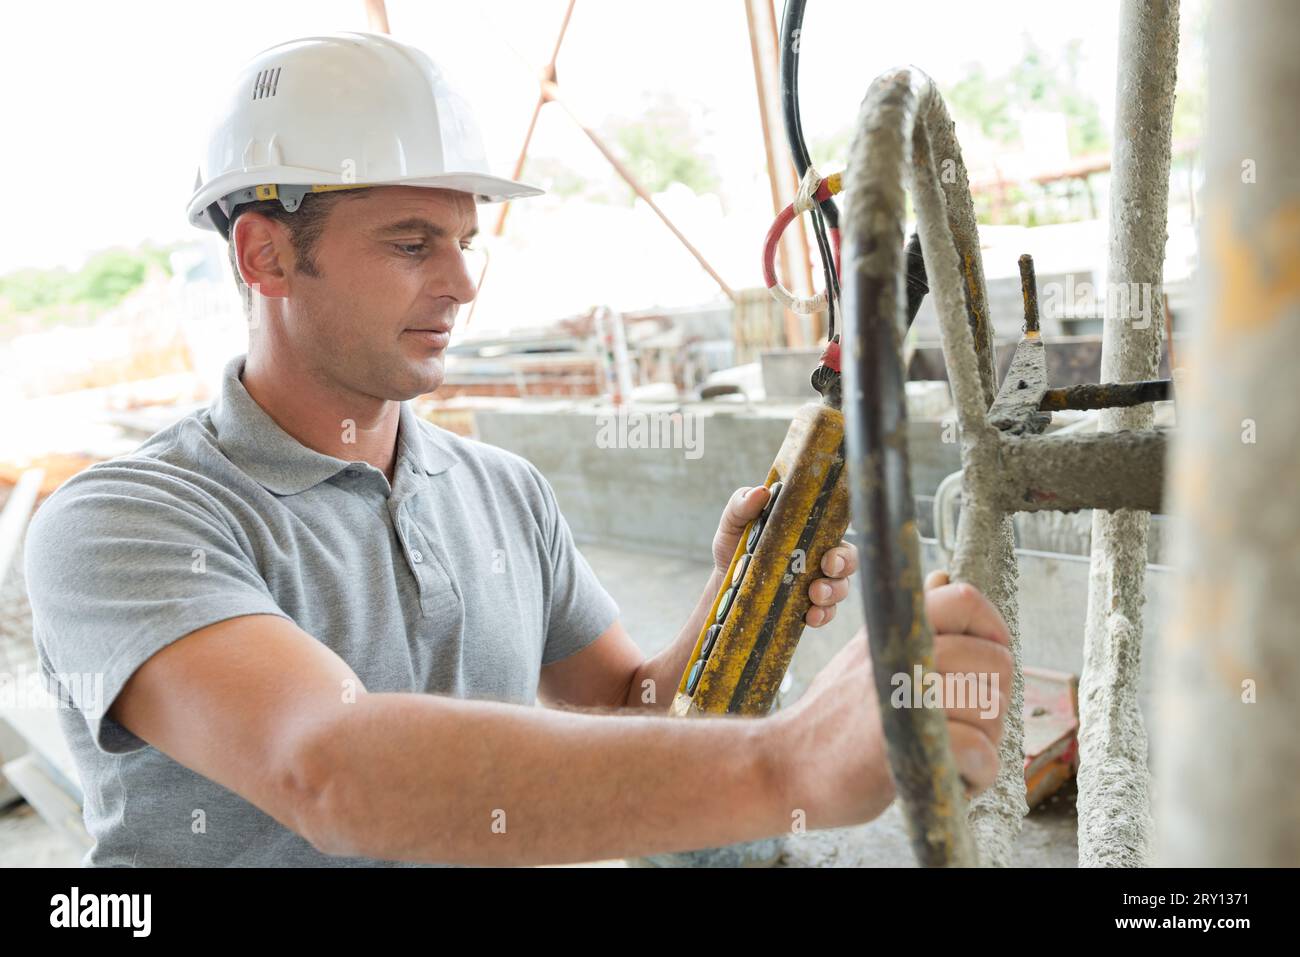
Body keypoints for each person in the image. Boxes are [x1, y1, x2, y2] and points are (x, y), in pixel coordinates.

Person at [23, 32, 1011, 866]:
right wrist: (786, 764)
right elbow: (327, 771)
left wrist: (737, 594)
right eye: (413, 244)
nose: (462, 282)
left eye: (466, 238)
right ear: (265, 254)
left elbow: (629, 710)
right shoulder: (127, 521)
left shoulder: (501, 489)